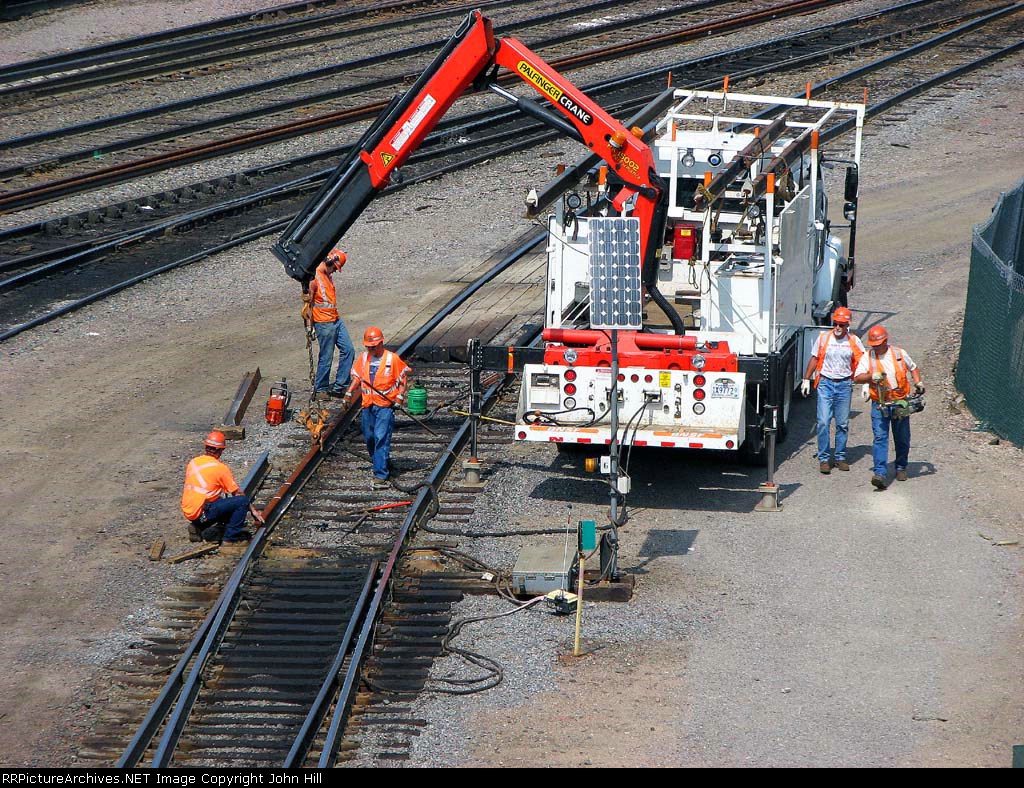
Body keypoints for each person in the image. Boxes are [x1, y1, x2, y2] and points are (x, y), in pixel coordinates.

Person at [853, 325, 924, 490]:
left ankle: (901, 467)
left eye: (877, 344)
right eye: (873, 345)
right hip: (880, 403)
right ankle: (880, 473)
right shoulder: (868, 357)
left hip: (899, 401)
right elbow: (857, 377)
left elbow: (913, 368)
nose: (875, 347)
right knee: (880, 438)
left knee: (902, 437)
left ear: (885, 341)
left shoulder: (899, 353)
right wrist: (871, 377)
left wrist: (918, 382)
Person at [340, 327, 411, 489]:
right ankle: (380, 461)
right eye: (368, 346)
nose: (371, 349)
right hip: (368, 405)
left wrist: (399, 398)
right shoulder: (364, 358)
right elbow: (358, 378)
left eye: (374, 346)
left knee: (381, 437)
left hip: (385, 406)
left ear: (381, 343)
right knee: (369, 437)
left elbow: (403, 378)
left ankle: (381, 474)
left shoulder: (391, 359)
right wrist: (348, 394)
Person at [801, 306, 866, 474]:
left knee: (842, 423)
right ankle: (824, 459)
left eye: (842, 325)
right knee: (823, 421)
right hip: (825, 383)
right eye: (836, 324)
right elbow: (815, 358)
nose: (838, 327)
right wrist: (806, 379)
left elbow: (863, 362)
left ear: (847, 326)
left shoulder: (854, 341)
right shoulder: (824, 339)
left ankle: (840, 457)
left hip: (844, 385)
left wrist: (866, 383)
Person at [180, 431, 265, 542]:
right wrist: (253, 511)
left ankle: (198, 526)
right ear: (220, 450)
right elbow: (238, 494)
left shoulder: (193, 462)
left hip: (191, 511)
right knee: (242, 502)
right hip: (202, 512)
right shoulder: (220, 468)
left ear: (207, 447)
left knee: (221, 501)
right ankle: (230, 538)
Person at [303, 249, 355, 397]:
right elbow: (308, 305)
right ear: (330, 262)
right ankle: (321, 389)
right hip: (323, 323)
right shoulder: (314, 278)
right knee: (326, 356)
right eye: (335, 268)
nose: (334, 272)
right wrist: (309, 326)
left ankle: (340, 386)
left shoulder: (327, 275)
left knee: (349, 350)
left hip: (335, 319)